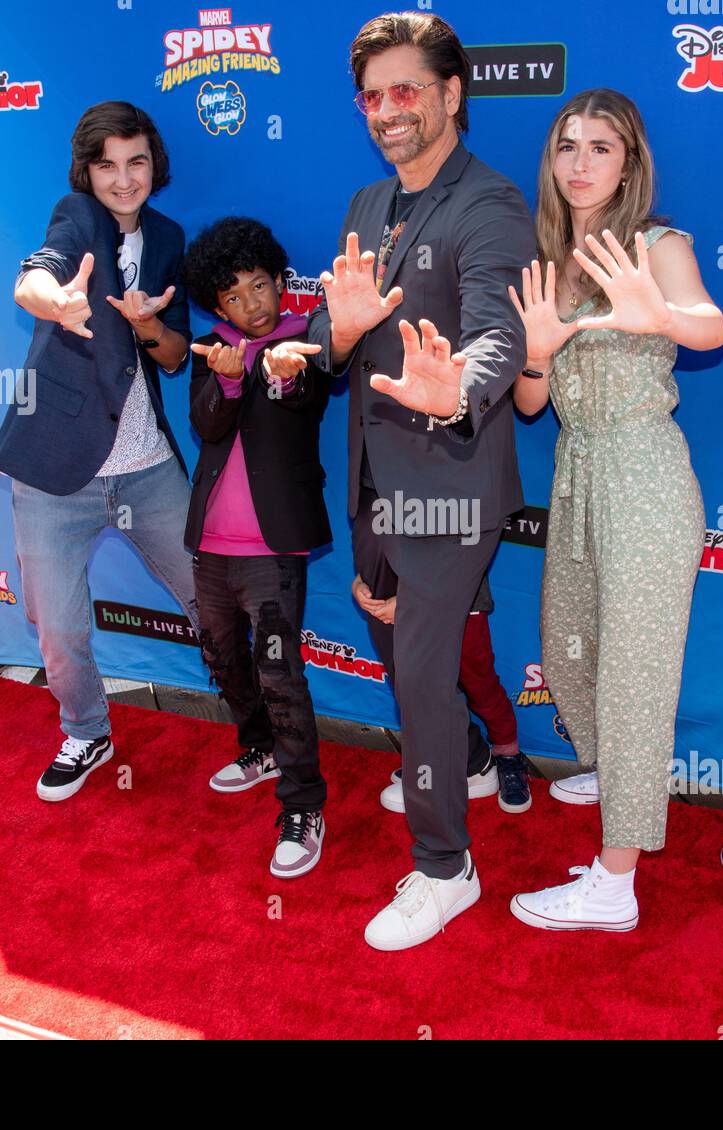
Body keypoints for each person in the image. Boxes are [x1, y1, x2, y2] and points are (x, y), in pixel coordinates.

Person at [309, 11, 536, 950]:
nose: (387, 110)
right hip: (371, 471)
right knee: (391, 636)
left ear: (452, 95)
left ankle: (447, 868)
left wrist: (457, 391)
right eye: (373, 94)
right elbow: (331, 340)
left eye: (408, 90)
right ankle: (470, 756)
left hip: (449, 481)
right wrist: (340, 337)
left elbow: (499, 332)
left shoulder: (492, 205)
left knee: (418, 672)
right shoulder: (367, 203)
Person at [506, 89, 723, 931]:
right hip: (575, 467)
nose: (582, 162)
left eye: (601, 147)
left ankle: (616, 880)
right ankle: (613, 768)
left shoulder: (657, 244)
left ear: (628, 161)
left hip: (643, 470)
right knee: (570, 644)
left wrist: (657, 313)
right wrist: (536, 353)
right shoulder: (544, 258)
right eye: (568, 146)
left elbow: (705, 327)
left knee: (636, 677)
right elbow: (530, 405)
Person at [0, 101, 197, 802]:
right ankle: (87, 731)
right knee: (57, 623)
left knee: (214, 594)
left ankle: (259, 725)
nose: (122, 179)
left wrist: (145, 327)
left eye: (135, 161)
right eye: (106, 164)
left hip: (145, 467)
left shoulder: (169, 237)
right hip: (57, 469)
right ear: (88, 170)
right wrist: (56, 302)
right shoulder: (76, 217)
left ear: (153, 165)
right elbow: (35, 275)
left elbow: (174, 358)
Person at [183, 216, 331, 878]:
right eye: (234, 296)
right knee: (221, 655)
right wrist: (231, 377)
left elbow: (301, 402)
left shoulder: (307, 342)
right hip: (212, 547)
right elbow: (207, 423)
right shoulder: (210, 349)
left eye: (261, 285)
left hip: (273, 555)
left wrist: (274, 371)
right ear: (218, 307)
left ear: (279, 280)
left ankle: (303, 803)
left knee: (279, 673)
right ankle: (261, 746)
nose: (253, 303)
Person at [352, 572, 531, 812]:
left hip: (463, 602)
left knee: (479, 683)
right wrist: (364, 577)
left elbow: (467, 550)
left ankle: (508, 756)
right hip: (407, 598)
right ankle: (445, 761)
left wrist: (410, 598)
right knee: (429, 686)